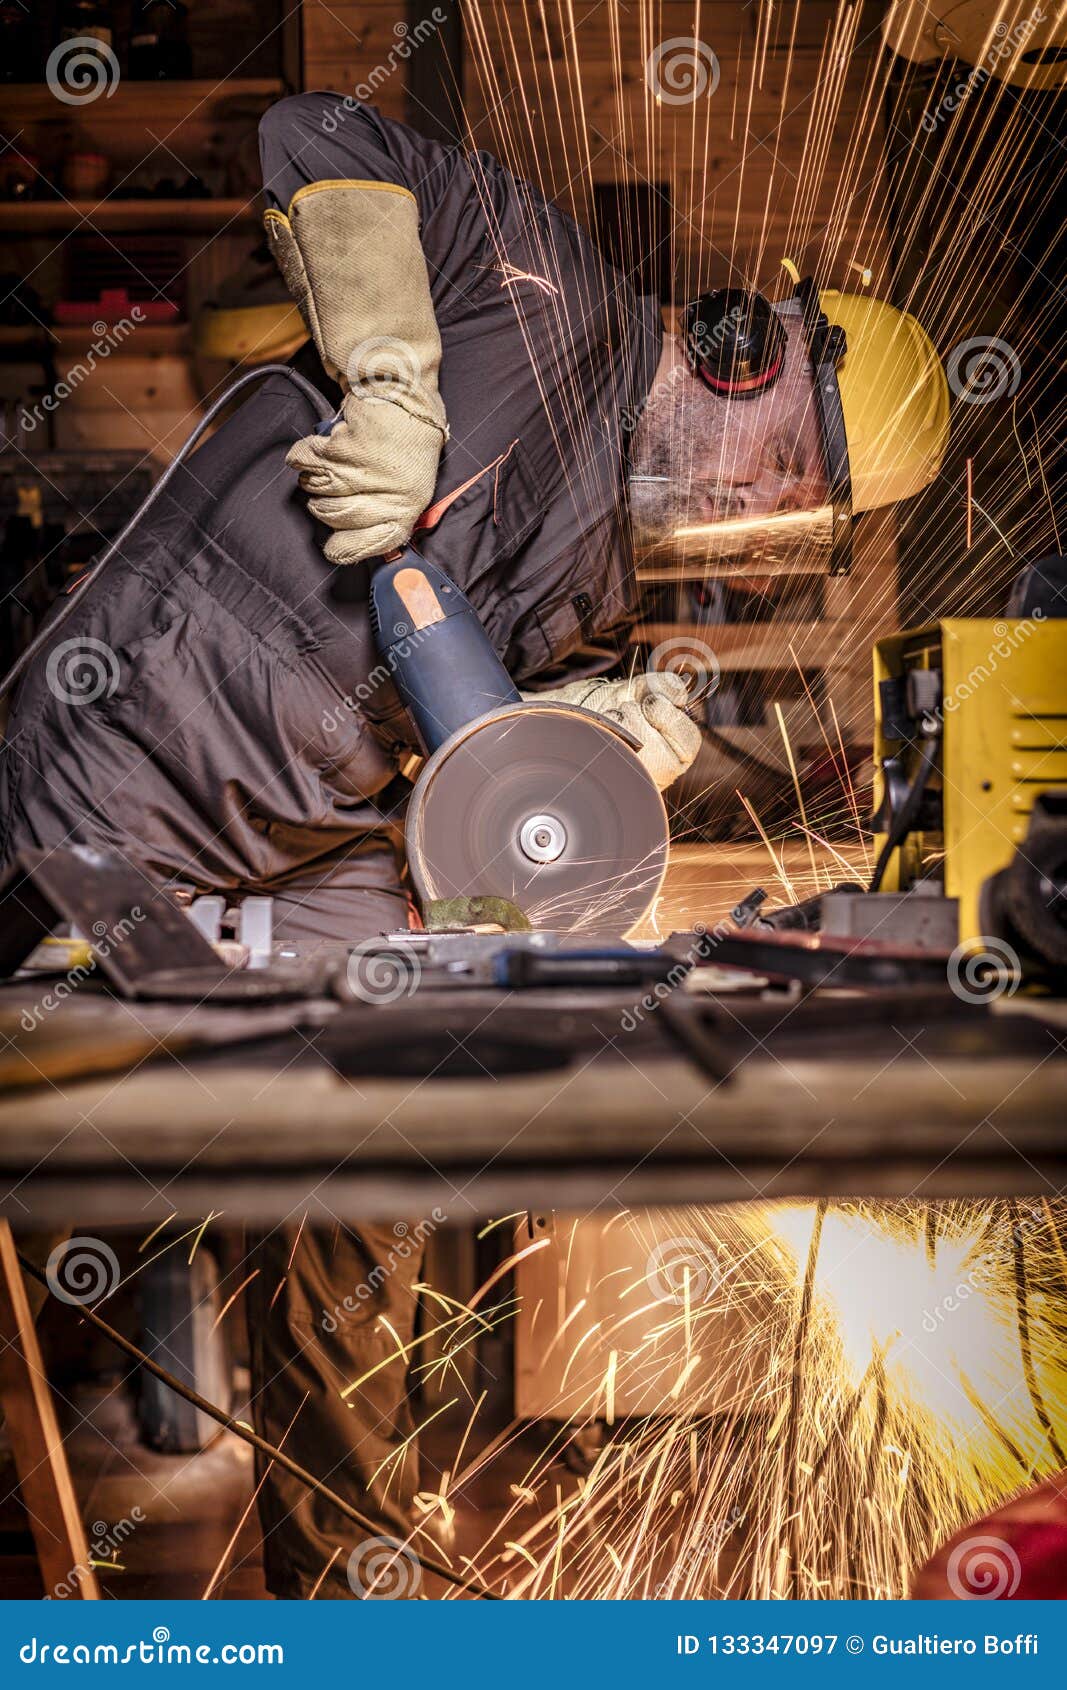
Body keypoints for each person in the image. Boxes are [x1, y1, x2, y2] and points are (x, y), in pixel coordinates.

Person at [0, 93, 949, 1597]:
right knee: (47, 1090)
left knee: (391, 1107)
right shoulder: (537, 275)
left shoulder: (603, 549)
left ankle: (355, 1572)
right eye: (785, 469)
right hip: (128, 748)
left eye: (793, 508)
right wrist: (390, 378)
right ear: (753, 351)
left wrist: (590, 721)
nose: (755, 511)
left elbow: (459, 717)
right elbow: (317, 133)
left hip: (309, 835)